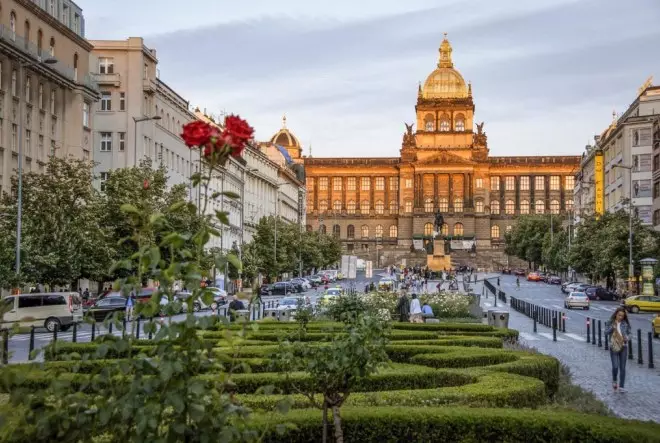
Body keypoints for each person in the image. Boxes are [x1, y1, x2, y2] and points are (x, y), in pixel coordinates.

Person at [605, 307, 631, 392]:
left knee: (622, 368)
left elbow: (630, 333)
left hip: (623, 347)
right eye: (619, 315)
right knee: (615, 366)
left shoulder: (625, 323)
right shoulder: (610, 322)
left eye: (622, 316)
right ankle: (615, 380)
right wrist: (612, 327)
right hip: (614, 346)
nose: (620, 317)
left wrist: (627, 337)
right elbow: (605, 332)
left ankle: (621, 387)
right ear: (616, 314)